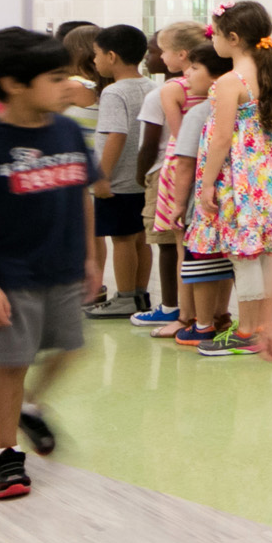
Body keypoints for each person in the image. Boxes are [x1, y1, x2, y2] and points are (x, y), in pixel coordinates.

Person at [0, 28, 99, 502]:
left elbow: (83, 194)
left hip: (63, 267)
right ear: (14, 84)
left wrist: (91, 257)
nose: (67, 87)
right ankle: (6, 454)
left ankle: (31, 408)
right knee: (13, 363)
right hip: (9, 274)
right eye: (55, 78)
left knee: (72, 347)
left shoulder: (68, 130)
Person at [190, 0, 272, 358]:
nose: (214, 40)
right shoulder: (266, 74)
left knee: (243, 254)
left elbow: (222, 138)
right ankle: (260, 325)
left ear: (233, 38)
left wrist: (207, 183)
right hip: (263, 176)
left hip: (237, 178)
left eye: (217, 34)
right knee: (257, 252)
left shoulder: (229, 82)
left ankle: (248, 331)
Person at [134, 23, 206, 329]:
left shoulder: (172, 89)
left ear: (182, 54)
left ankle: (179, 311)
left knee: (177, 246)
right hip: (208, 167)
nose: (160, 57)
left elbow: (179, 137)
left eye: (162, 51)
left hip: (178, 168)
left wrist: (141, 174)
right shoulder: (214, 85)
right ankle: (201, 313)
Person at [162, 46, 230, 347]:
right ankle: (221, 316)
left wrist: (178, 204)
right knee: (225, 263)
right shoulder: (239, 108)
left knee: (197, 263)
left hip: (201, 204)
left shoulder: (199, 113)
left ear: (215, 76)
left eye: (194, 68)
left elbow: (185, 163)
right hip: (230, 202)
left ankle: (199, 324)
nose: (186, 74)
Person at [86, 25, 154, 317]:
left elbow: (116, 134)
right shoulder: (152, 86)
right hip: (144, 179)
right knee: (141, 238)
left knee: (122, 239)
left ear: (111, 56)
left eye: (96, 54)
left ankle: (125, 297)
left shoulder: (113, 92)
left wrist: (102, 176)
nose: (95, 60)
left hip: (119, 181)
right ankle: (139, 295)